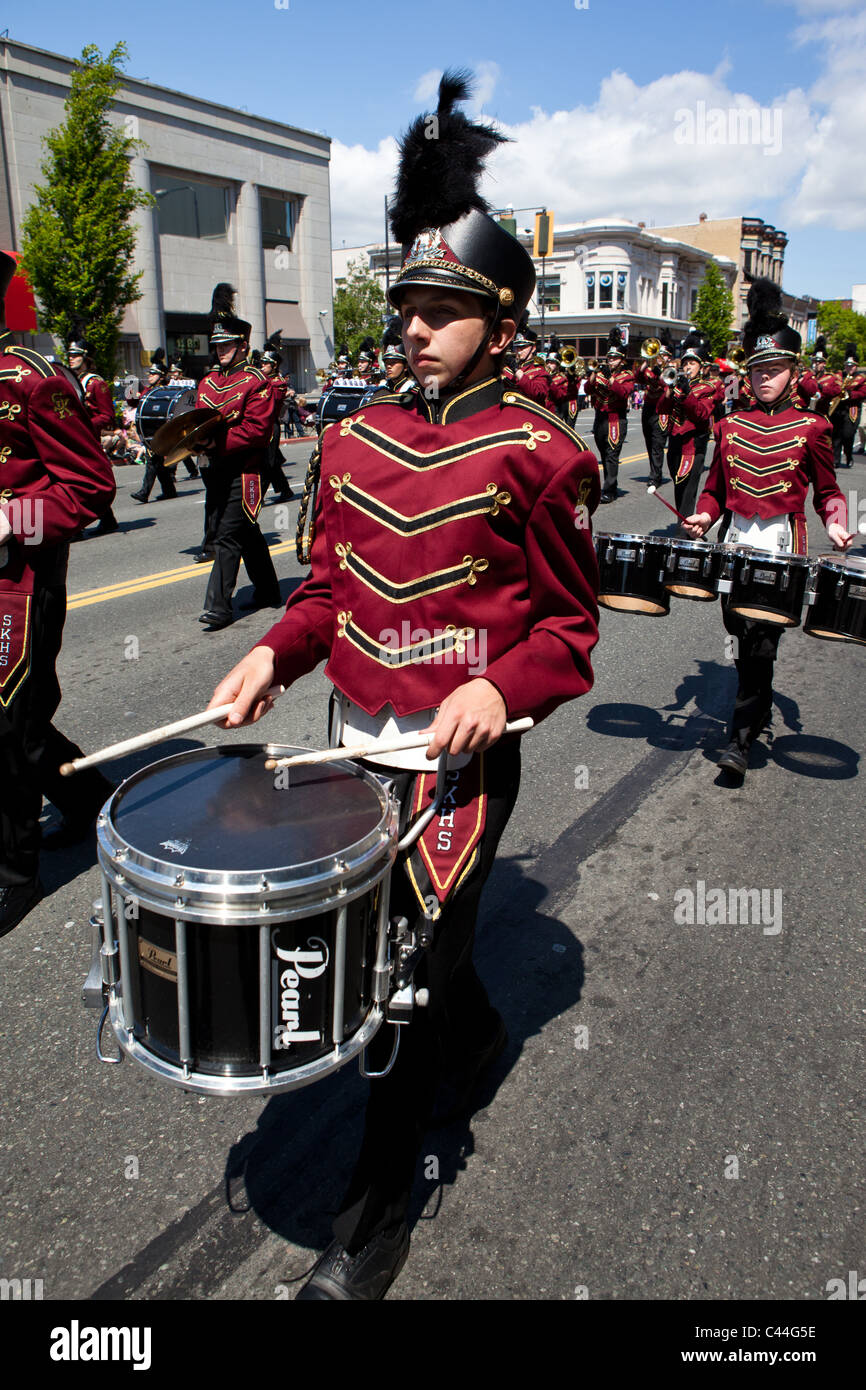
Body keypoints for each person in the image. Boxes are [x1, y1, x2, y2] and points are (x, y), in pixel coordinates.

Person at [207, 72, 600, 1300]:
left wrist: (504, 690)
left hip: (460, 756)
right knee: (395, 946)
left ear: (498, 324)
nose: (416, 326)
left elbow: (569, 627)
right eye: (409, 304)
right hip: (349, 733)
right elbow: (328, 592)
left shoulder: (543, 455)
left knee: (396, 980)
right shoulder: (354, 437)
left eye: (444, 309)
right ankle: (472, 1025)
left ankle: (373, 1216)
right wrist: (274, 651)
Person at [683, 278, 853, 778]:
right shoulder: (730, 426)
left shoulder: (813, 428)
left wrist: (841, 524)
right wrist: (704, 514)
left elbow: (829, 494)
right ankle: (754, 709)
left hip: (784, 547)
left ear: (793, 373)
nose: (763, 379)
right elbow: (714, 489)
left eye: (774, 370)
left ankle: (739, 739)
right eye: (757, 370)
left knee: (761, 642)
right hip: (735, 543)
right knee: (740, 636)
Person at [0, 253, 117, 933]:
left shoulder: (32, 380)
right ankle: (91, 800)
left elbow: (88, 487)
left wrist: (10, 519)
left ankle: (15, 876)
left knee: (9, 722)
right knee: (22, 725)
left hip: (19, 578)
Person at [194, 284, 282, 629]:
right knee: (245, 531)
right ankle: (269, 589)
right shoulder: (207, 382)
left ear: (243, 345)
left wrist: (215, 444)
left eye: (227, 345)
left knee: (228, 535)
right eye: (216, 346)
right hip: (214, 469)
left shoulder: (258, 383)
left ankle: (218, 607)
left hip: (246, 471)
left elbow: (256, 433)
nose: (220, 352)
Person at [66, 333, 120, 537]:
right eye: (69, 354)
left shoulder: (96, 383)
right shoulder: (71, 380)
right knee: (81, 480)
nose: (71, 358)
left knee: (82, 481)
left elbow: (107, 416)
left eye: (76, 355)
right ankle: (107, 519)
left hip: (89, 438)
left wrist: (84, 425)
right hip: (75, 438)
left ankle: (79, 527)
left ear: (86, 357)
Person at [659, 331, 715, 519]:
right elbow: (661, 409)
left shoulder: (706, 388)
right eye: (685, 363)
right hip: (675, 441)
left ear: (701, 366)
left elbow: (701, 414)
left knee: (688, 491)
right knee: (678, 487)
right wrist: (669, 390)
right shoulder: (677, 386)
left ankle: (683, 532)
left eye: (692, 363)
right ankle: (683, 524)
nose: (688, 367)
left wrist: (686, 394)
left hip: (693, 444)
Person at [588, 331, 634, 503]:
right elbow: (588, 390)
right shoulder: (602, 372)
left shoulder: (627, 375)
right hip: (599, 416)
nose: (610, 361)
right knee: (603, 452)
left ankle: (609, 489)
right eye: (609, 358)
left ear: (621, 360)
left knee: (612, 454)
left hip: (615, 418)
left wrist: (611, 379)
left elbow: (623, 393)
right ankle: (610, 485)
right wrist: (592, 374)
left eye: (614, 359)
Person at [130, 352, 179, 502]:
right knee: (156, 462)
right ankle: (169, 490)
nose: (150, 376)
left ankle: (144, 493)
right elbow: (134, 403)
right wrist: (130, 389)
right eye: (150, 374)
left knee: (153, 461)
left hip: (161, 431)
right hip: (150, 431)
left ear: (162, 376)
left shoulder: (166, 391)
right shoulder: (148, 390)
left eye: (154, 374)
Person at [258, 334, 293, 502]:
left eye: (265, 363)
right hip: (260, 425)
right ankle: (286, 490)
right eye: (261, 363)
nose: (262, 366)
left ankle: (257, 498)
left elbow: (266, 400)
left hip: (271, 425)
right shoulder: (261, 379)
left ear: (274, 365)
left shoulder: (279, 383)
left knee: (267, 463)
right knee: (271, 461)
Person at [636, 343, 672, 492]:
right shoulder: (650, 370)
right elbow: (638, 377)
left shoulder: (670, 371)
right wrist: (646, 361)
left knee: (658, 443)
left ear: (667, 357)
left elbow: (668, 385)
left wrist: (660, 375)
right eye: (658, 354)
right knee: (649, 442)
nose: (660, 357)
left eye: (663, 355)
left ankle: (655, 476)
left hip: (662, 410)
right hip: (649, 408)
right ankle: (654, 471)